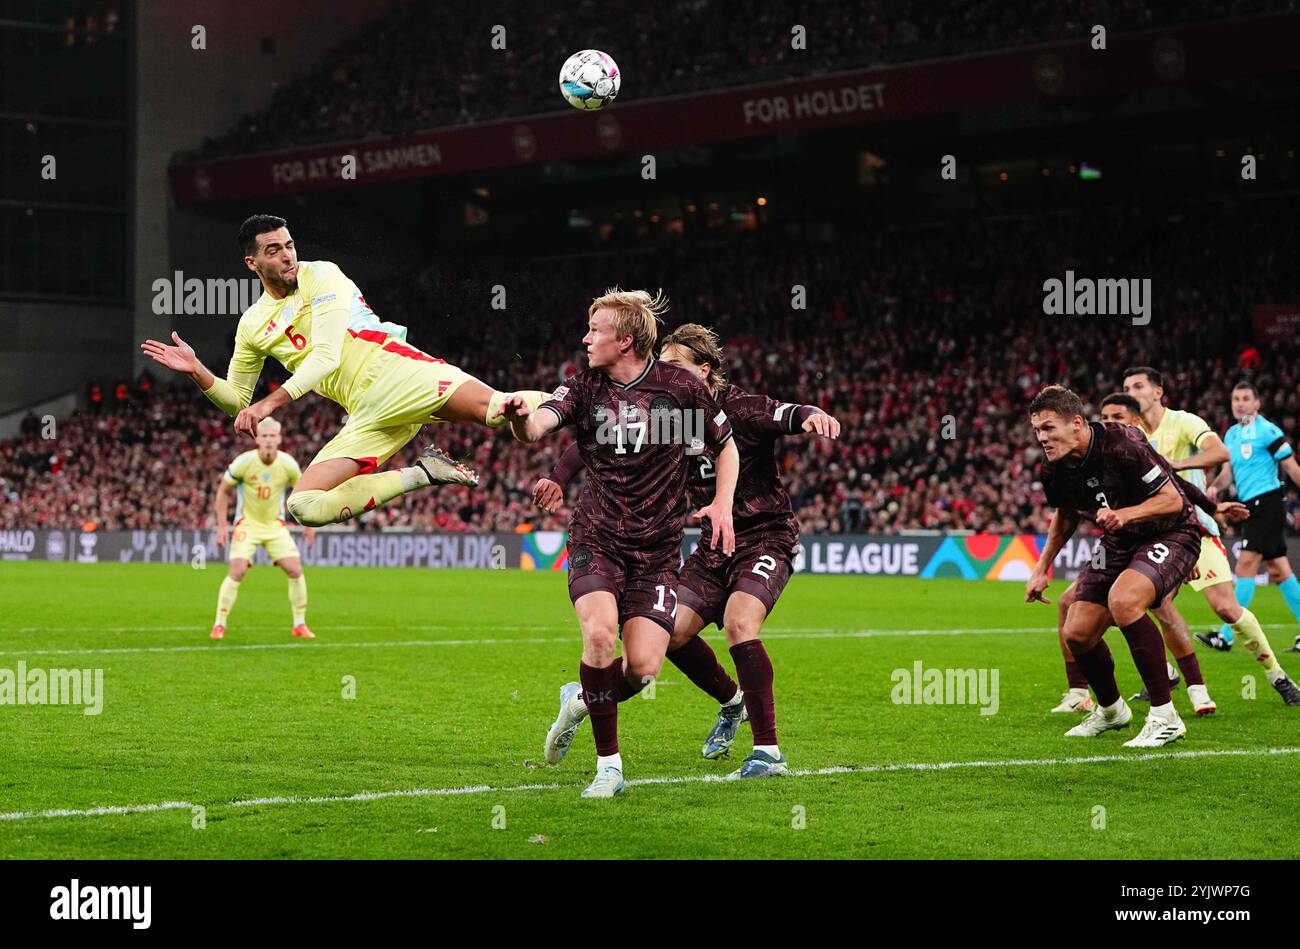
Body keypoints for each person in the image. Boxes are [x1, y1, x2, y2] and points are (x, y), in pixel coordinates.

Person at [141, 214, 549, 529]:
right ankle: (425, 473)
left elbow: (325, 358)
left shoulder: (322, 275)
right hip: (365, 413)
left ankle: (570, 398)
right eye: (273, 250)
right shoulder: (252, 325)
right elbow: (237, 402)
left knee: (497, 410)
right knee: (304, 506)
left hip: (396, 371)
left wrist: (271, 404)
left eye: (289, 244)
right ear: (252, 262)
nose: (287, 255)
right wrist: (197, 370)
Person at [500, 291, 739, 797]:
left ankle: (580, 700)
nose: (586, 339)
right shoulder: (585, 386)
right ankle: (609, 767)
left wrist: (721, 503)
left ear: (625, 340)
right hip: (597, 538)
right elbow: (540, 426)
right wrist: (523, 416)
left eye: (595, 330)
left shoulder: (680, 388)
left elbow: (728, 446)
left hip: (656, 552)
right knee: (600, 635)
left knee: (644, 668)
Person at [211, 417, 316, 640]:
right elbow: (222, 492)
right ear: (257, 438)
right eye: (264, 436)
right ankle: (219, 624)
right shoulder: (243, 462)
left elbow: (303, 492)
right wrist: (222, 526)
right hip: (247, 525)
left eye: (272, 436)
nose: (268, 440)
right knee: (237, 571)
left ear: (279, 438)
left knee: (295, 569)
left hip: (274, 525)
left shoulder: (288, 464)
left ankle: (299, 624)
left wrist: (308, 524)